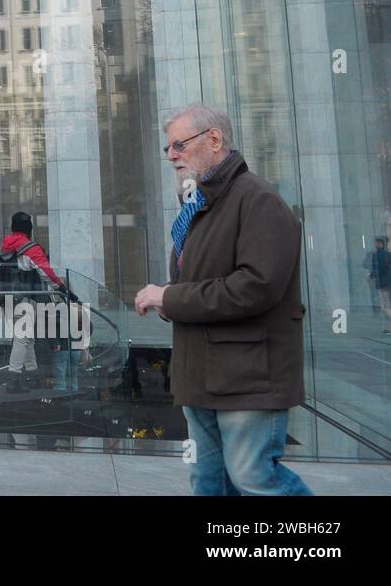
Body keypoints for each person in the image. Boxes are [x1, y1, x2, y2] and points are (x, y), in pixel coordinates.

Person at [135, 103, 312, 496]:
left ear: (214, 139)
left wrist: (171, 297)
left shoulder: (256, 199)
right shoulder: (199, 206)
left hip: (247, 379)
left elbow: (256, 286)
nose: (171, 156)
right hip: (201, 377)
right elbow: (198, 283)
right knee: (210, 483)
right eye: (167, 148)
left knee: (254, 478)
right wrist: (167, 300)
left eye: (178, 145)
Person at [0, 211, 63, 393]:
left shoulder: (4, 246)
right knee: (22, 339)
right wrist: (60, 286)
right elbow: (46, 272)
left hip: (7, 298)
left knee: (28, 339)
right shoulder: (31, 248)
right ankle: (14, 380)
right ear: (29, 229)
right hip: (25, 298)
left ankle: (32, 376)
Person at [371, 236, 391, 333]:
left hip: (382, 283)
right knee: (387, 306)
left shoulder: (377, 255)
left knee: (384, 307)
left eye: (377, 242)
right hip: (387, 282)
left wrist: (372, 275)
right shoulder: (388, 254)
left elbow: (378, 268)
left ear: (381, 243)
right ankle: (389, 328)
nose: (375, 244)